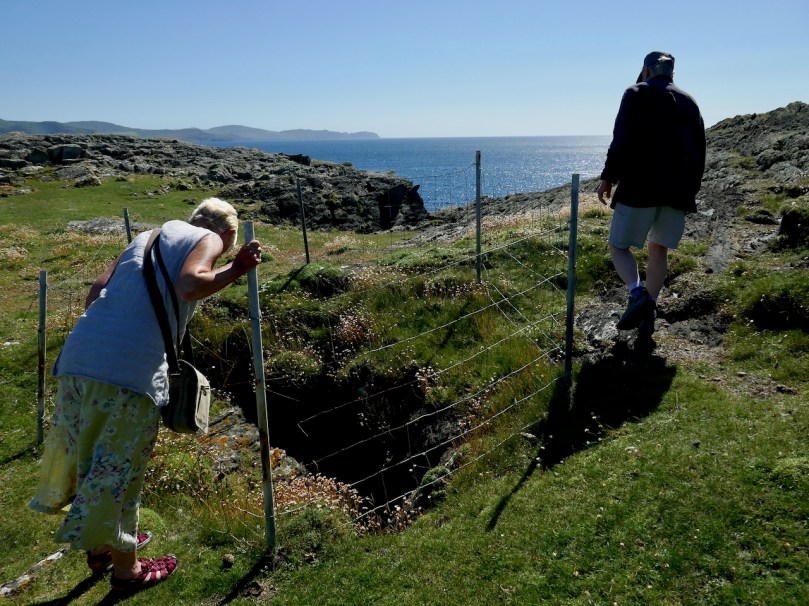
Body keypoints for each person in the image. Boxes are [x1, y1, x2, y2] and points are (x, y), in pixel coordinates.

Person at [30, 197, 262, 594]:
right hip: (128, 372)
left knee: (88, 456)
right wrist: (237, 267)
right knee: (120, 468)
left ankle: (102, 545)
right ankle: (128, 571)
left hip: (81, 357)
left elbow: (97, 291)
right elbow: (189, 285)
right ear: (226, 233)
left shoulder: (146, 236)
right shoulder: (209, 238)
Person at [597, 51, 706, 336]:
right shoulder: (688, 100)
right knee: (659, 248)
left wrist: (608, 177)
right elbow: (699, 148)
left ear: (646, 70)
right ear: (672, 72)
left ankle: (637, 295)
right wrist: (690, 188)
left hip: (639, 187)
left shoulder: (635, 93)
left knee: (619, 245)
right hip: (678, 190)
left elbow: (621, 140)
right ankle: (650, 309)